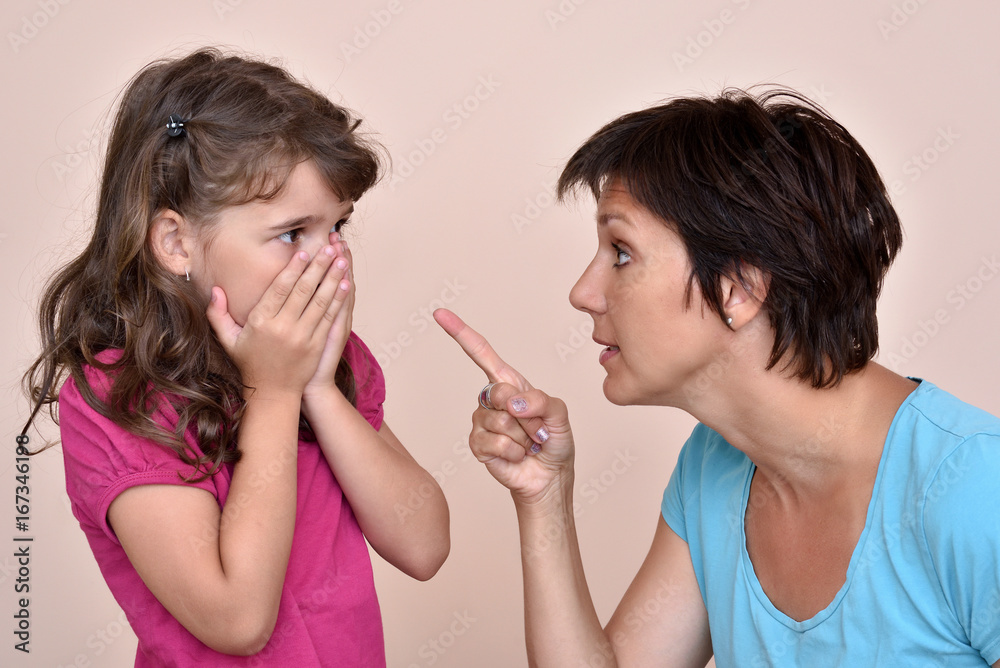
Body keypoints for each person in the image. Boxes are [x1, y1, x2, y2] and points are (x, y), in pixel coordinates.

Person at [435, 89, 1000, 666]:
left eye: (621, 252)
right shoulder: (713, 468)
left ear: (739, 288)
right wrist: (544, 497)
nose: (583, 293)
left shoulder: (975, 487)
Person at [21, 48, 449, 666]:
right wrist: (274, 392)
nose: (330, 259)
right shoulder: (119, 401)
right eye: (292, 233)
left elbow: (425, 545)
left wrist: (320, 389)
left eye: (339, 228)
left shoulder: (326, 365)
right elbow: (239, 620)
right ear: (176, 243)